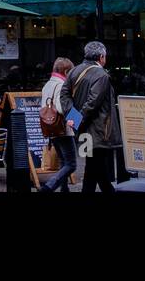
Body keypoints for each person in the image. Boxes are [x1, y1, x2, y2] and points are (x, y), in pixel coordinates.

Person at [68, 41, 123, 193]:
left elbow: (64, 96)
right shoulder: (101, 74)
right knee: (95, 165)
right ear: (101, 57)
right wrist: (77, 119)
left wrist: (73, 118)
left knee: (92, 167)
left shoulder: (74, 71)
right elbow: (92, 103)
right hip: (99, 130)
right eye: (105, 56)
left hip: (83, 129)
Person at [39, 57, 77, 192]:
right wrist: (78, 120)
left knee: (63, 162)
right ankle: (49, 186)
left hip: (51, 129)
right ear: (66, 72)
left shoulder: (47, 85)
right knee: (71, 164)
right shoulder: (62, 85)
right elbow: (62, 108)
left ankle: (64, 189)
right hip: (63, 129)